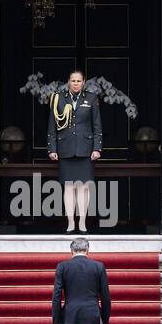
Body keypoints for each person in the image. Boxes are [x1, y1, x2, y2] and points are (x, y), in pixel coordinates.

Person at [46, 70, 102, 233]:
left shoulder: (91, 98)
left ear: (84, 82)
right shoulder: (59, 98)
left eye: (79, 80)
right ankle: (71, 222)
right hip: (66, 148)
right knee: (69, 187)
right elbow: (52, 125)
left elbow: (97, 125)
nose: (76, 83)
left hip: (85, 149)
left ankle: (83, 222)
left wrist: (97, 148)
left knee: (84, 188)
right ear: (68, 82)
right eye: (73, 80)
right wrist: (52, 148)